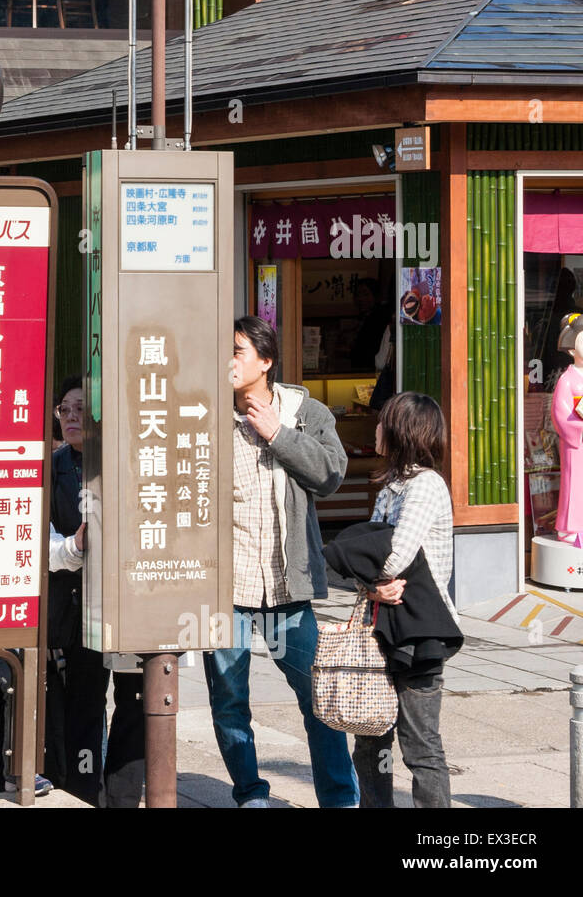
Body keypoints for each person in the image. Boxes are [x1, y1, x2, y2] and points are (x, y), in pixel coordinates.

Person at [202, 316, 359, 808]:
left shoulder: (304, 412)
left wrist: (277, 434)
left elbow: (331, 474)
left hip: (287, 590)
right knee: (229, 701)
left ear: (265, 362)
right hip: (227, 588)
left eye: (238, 350)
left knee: (320, 699)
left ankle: (340, 798)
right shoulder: (205, 414)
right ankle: (251, 793)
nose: (227, 360)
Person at [351, 392, 457, 808]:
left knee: (420, 745)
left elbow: (394, 554)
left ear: (400, 431)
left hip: (420, 632)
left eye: (382, 423)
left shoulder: (425, 485)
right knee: (370, 738)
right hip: (383, 627)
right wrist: (371, 586)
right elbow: (370, 556)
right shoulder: (392, 486)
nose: (375, 429)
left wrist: (367, 573)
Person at [42, 375, 144, 806]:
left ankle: (122, 797)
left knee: (136, 705)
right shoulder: (52, 467)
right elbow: (40, 548)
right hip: (77, 606)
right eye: (65, 409)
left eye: (81, 409)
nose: (71, 417)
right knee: (83, 704)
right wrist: (77, 547)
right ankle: (82, 794)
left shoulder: (134, 461)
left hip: (134, 604)